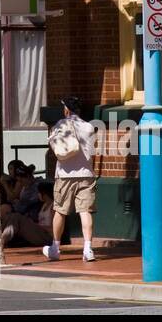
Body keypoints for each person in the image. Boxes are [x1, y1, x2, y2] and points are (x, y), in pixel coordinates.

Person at [42, 96, 98, 263]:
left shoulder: (61, 124)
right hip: (86, 174)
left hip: (65, 175)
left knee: (60, 211)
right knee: (85, 211)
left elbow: (54, 146)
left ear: (67, 109)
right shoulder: (89, 127)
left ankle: (55, 248)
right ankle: (88, 248)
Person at [2, 182, 55, 247]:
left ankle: (1, 241)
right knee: (11, 216)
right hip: (39, 232)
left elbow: (53, 229)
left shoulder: (53, 207)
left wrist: (37, 225)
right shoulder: (44, 205)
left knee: (17, 217)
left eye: (39, 193)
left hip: (47, 237)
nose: (38, 195)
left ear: (45, 194)